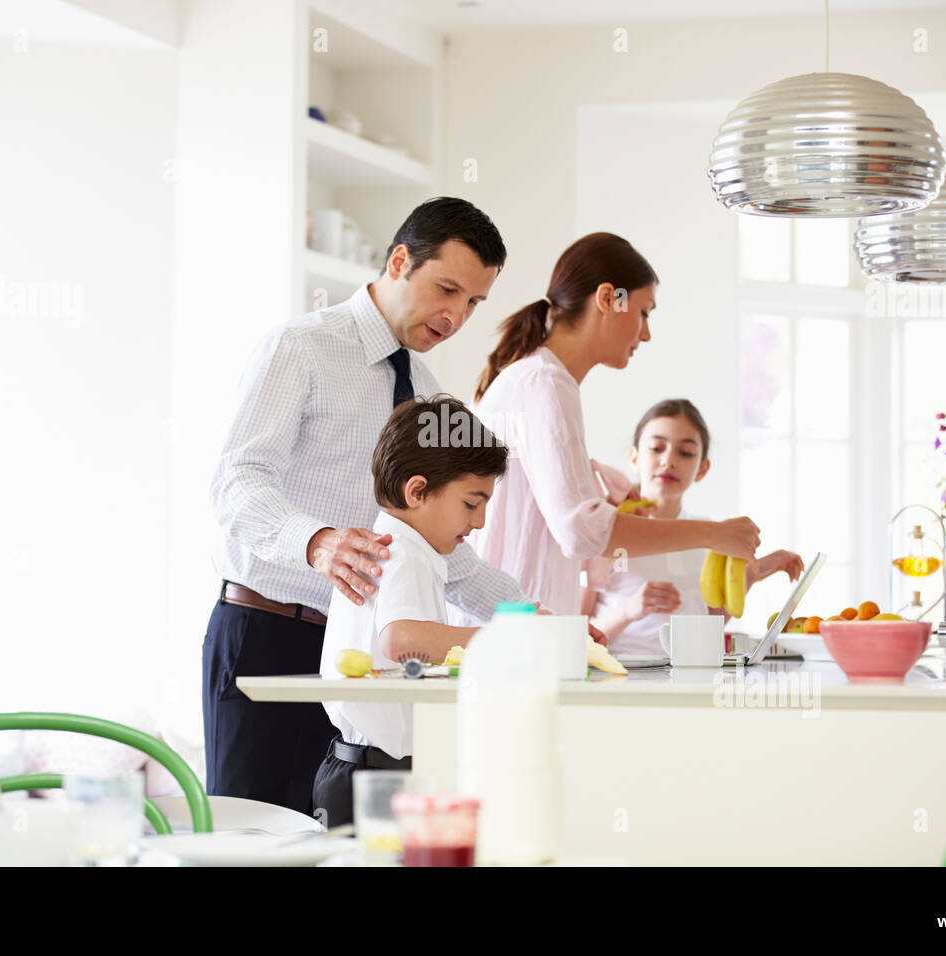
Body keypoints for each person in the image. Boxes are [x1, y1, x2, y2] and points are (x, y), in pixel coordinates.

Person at [205, 198, 532, 816]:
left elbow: (447, 550)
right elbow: (236, 480)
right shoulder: (299, 347)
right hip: (266, 632)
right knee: (250, 838)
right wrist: (316, 542)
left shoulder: (431, 395)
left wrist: (532, 618)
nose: (456, 314)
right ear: (400, 260)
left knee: (341, 845)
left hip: (361, 666)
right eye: (447, 289)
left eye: (473, 303)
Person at [459, 232, 761, 621]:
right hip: (515, 637)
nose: (646, 332)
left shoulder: (538, 379)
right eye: (644, 312)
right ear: (608, 299)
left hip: (520, 630)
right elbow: (582, 531)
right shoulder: (545, 383)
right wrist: (712, 534)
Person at [313, 395, 507, 826]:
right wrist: (503, 640)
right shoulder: (405, 552)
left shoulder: (400, 546)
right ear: (417, 491)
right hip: (378, 776)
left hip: (360, 768)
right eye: (472, 503)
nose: (479, 522)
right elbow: (403, 639)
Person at [581, 398, 804, 657]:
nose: (668, 461)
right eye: (656, 448)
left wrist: (761, 568)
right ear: (634, 458)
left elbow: (708, 620)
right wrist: (629, 610)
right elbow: (576, 634)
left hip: (687, 677)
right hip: (621, 678)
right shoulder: (608, 530)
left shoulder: (713, 537)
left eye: (685, 453)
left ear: (702, 468)